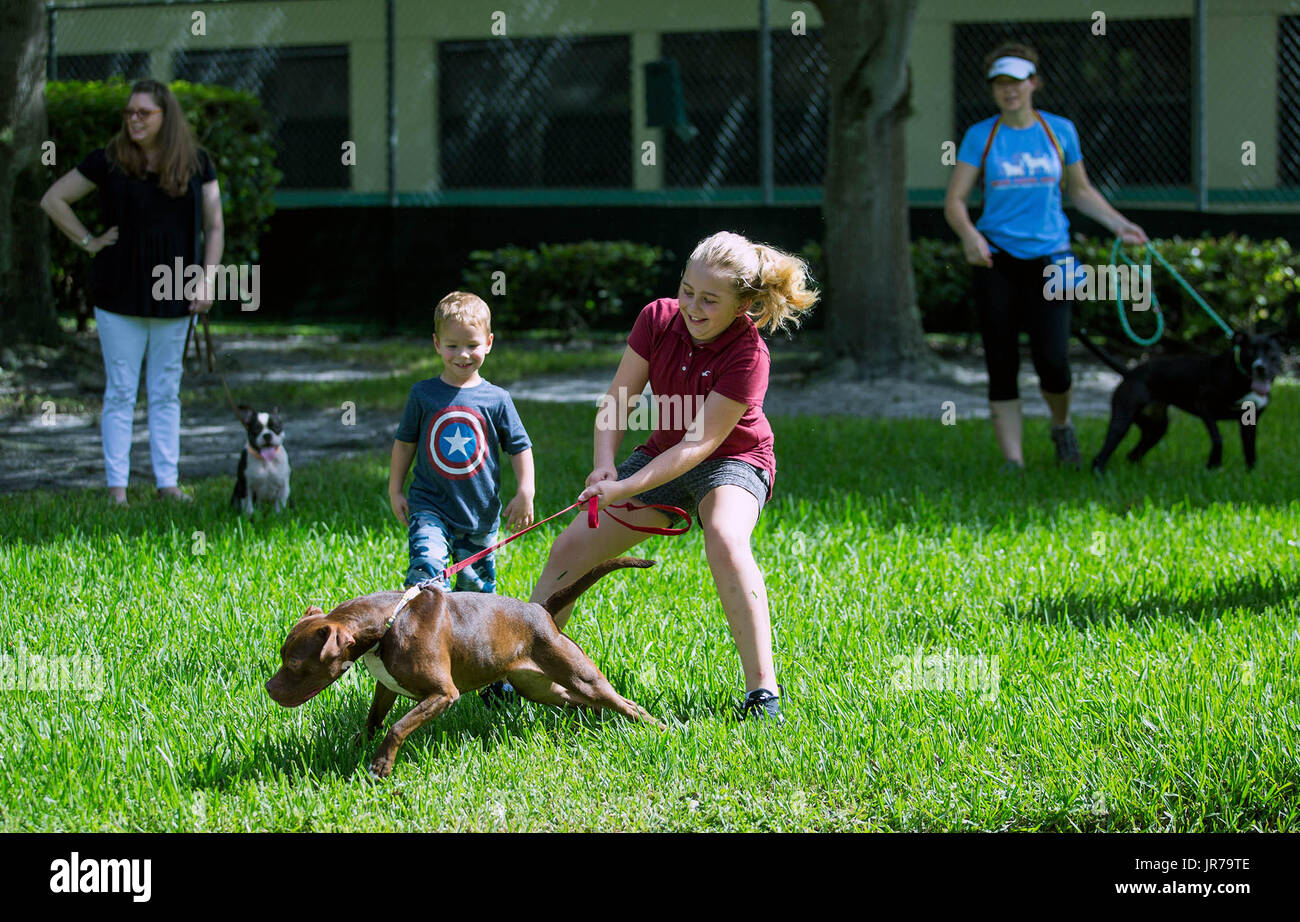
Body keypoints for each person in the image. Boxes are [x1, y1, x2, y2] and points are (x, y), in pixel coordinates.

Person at [528, 231, 817, 723]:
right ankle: (522, 665)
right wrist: (605, 461)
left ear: (744, 303)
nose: (693, 306)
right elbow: (619, 400)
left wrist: (623, 486)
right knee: (569, 548)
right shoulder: (657, 318)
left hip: (734, 459)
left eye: (710, 299)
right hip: (662, 453)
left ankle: (763, 693)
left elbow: (699, 446)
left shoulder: (750, 356)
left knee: (726, 538)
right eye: (687, 290)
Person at [944, 41, 1148, 471]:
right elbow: (956, 201)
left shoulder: (1060, 130)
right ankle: (1013, 461)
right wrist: (968, 235)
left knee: (1054, 359)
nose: (1008, 90)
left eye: (1016, 82)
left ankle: (1061, 425)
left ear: (1033, 82)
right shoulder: (982, 134)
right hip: (996, 259)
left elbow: (1080, 191)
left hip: (1056, 258)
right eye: (1000, 83)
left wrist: (1120, 225)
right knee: (1001, 361)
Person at [41, 79, 223, 505]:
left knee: (166, 391)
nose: (134, 119)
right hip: (117, 294)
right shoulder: (109, 160)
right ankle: (117, 491)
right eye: (129, 113)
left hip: (176, 293)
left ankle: (167, 484)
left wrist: (208, 278)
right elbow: (54, 200)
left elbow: (214, 225)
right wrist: (88, 241)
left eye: (144, 112)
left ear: (166, 116)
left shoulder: (197, 162)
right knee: (120, 391)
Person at [389, 291, 535, 590]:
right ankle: (420, 632)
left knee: (476, 591)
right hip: (429, 505)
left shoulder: (497, 399)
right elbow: (405, 443)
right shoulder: (423, 394)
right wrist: (395, 490)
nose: (463, 354)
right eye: (452, 346)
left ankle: (465, 638)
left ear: (489, 343)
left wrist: (525, 492)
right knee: (426, 572)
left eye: (472, 345)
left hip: (479, 512)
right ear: (436, 344)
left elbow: (519, 447)